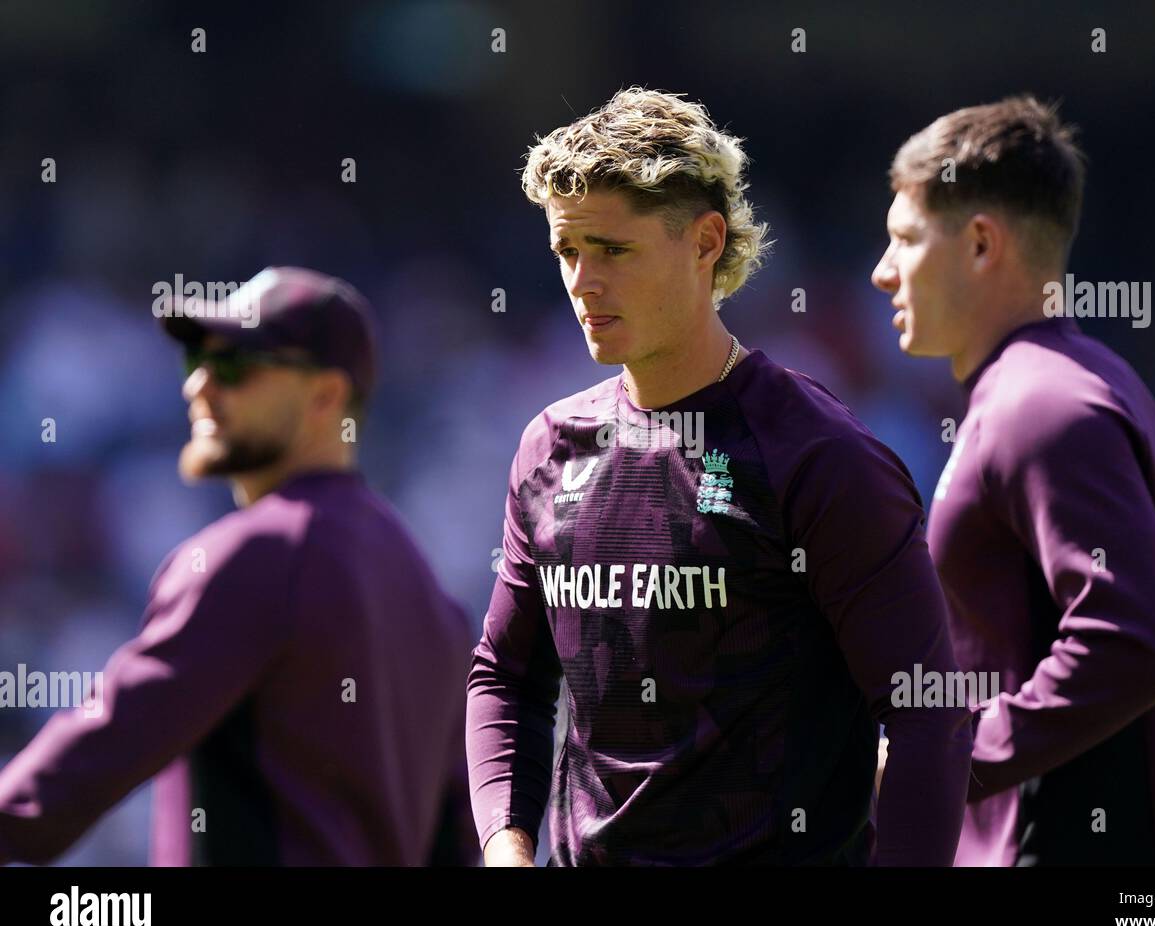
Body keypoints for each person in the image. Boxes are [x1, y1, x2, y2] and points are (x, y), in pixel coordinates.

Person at [467, 88, 972, 866]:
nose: (583, 281)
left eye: (614, 250)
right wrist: (506, 847)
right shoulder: (549, 448)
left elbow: (928, 713)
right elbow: (504, 677)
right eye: (568, 251)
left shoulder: (817, 456)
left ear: (706, 241)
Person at [870, 96, 1155, 865]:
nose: (881, 274)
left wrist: (949, 759)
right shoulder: (1092, 382)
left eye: (905, 240)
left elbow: (1135, 640)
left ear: (981, 245)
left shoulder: (1039, 405)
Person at [0, 266, 477, 866]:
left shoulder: (262, 553)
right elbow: (457, 844)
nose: (199, 385)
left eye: (234, 367)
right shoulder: (430, 596)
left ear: (325, 396)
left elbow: (93, 756)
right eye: (194, 362)